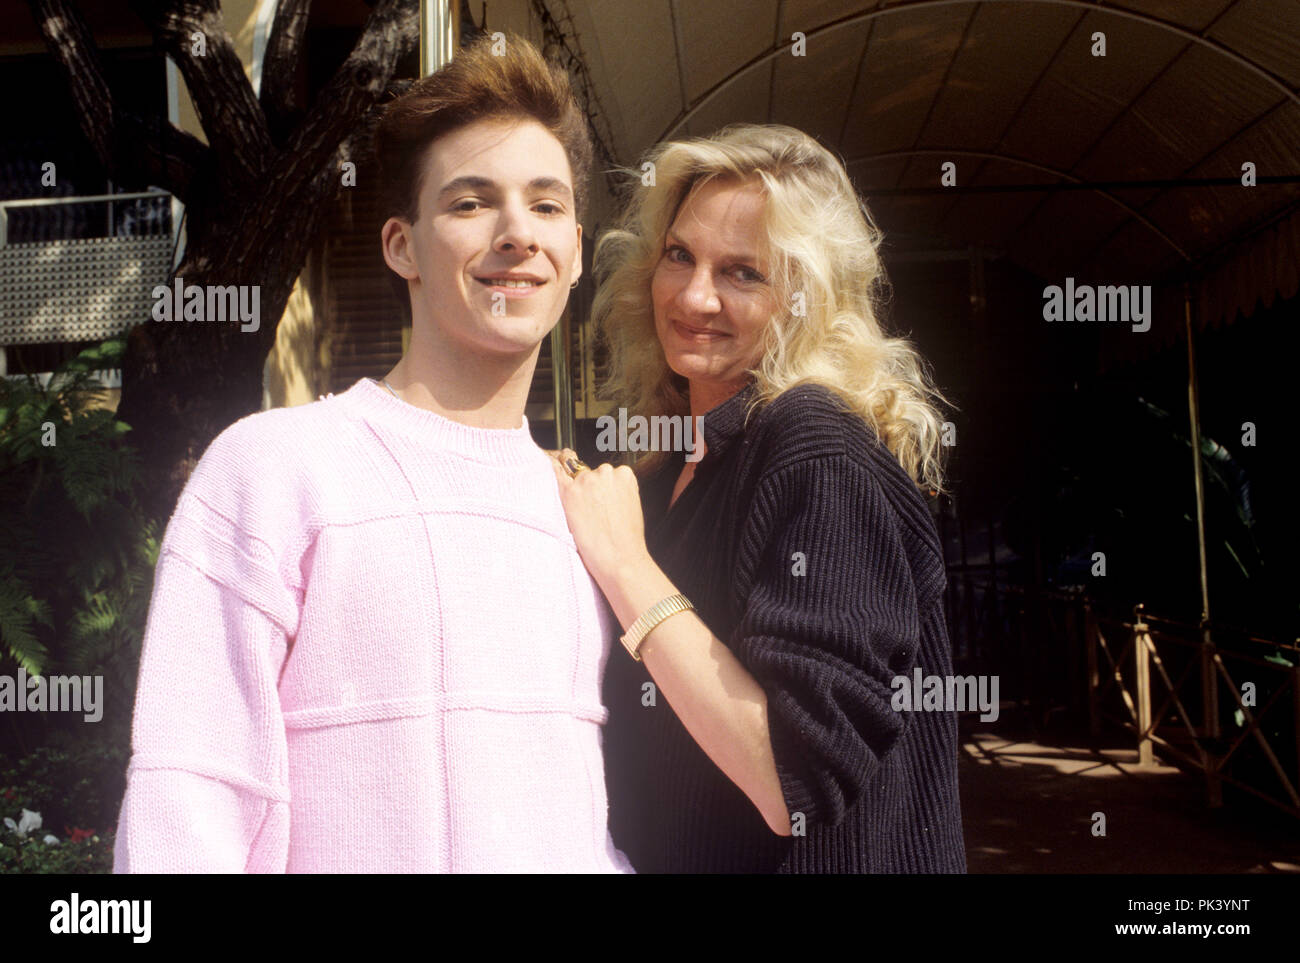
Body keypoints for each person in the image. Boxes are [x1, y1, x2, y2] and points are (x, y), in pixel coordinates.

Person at [113, 35, 633, 873]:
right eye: (470, 203)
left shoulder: (584, 509)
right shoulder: (274, 469)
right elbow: (192, 800)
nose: (516, 234)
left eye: (546, 205)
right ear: (400, 245)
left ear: (575, 248)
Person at [551, 124, 967, 873]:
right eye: (680, 255)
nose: (694, 294)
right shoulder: (680, 457)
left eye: (743, 272)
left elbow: (794, 780)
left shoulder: (817, 447)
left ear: (805, 299)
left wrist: (623, 563)